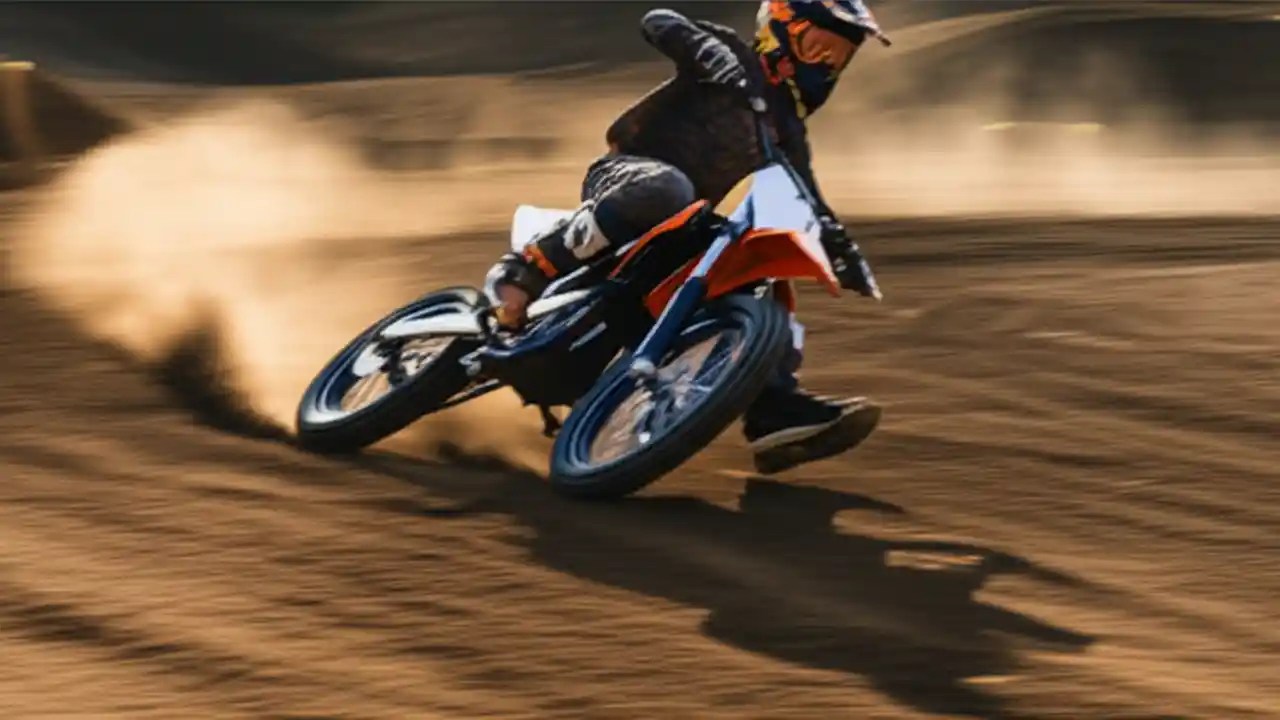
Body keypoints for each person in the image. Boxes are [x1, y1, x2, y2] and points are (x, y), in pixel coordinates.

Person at [484, 0, 889, 474]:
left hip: (685, 222)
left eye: (838, 56)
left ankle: (772, 411)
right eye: (817, 47)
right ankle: (527, 269)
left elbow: (807, 194)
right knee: (668, 187)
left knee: (760, 274)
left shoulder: (788, 125)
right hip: (627, 176)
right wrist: (712, 55)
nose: (825, 64)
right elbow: (658, 21)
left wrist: (840, 247)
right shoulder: (733, 55)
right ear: (779, 30)